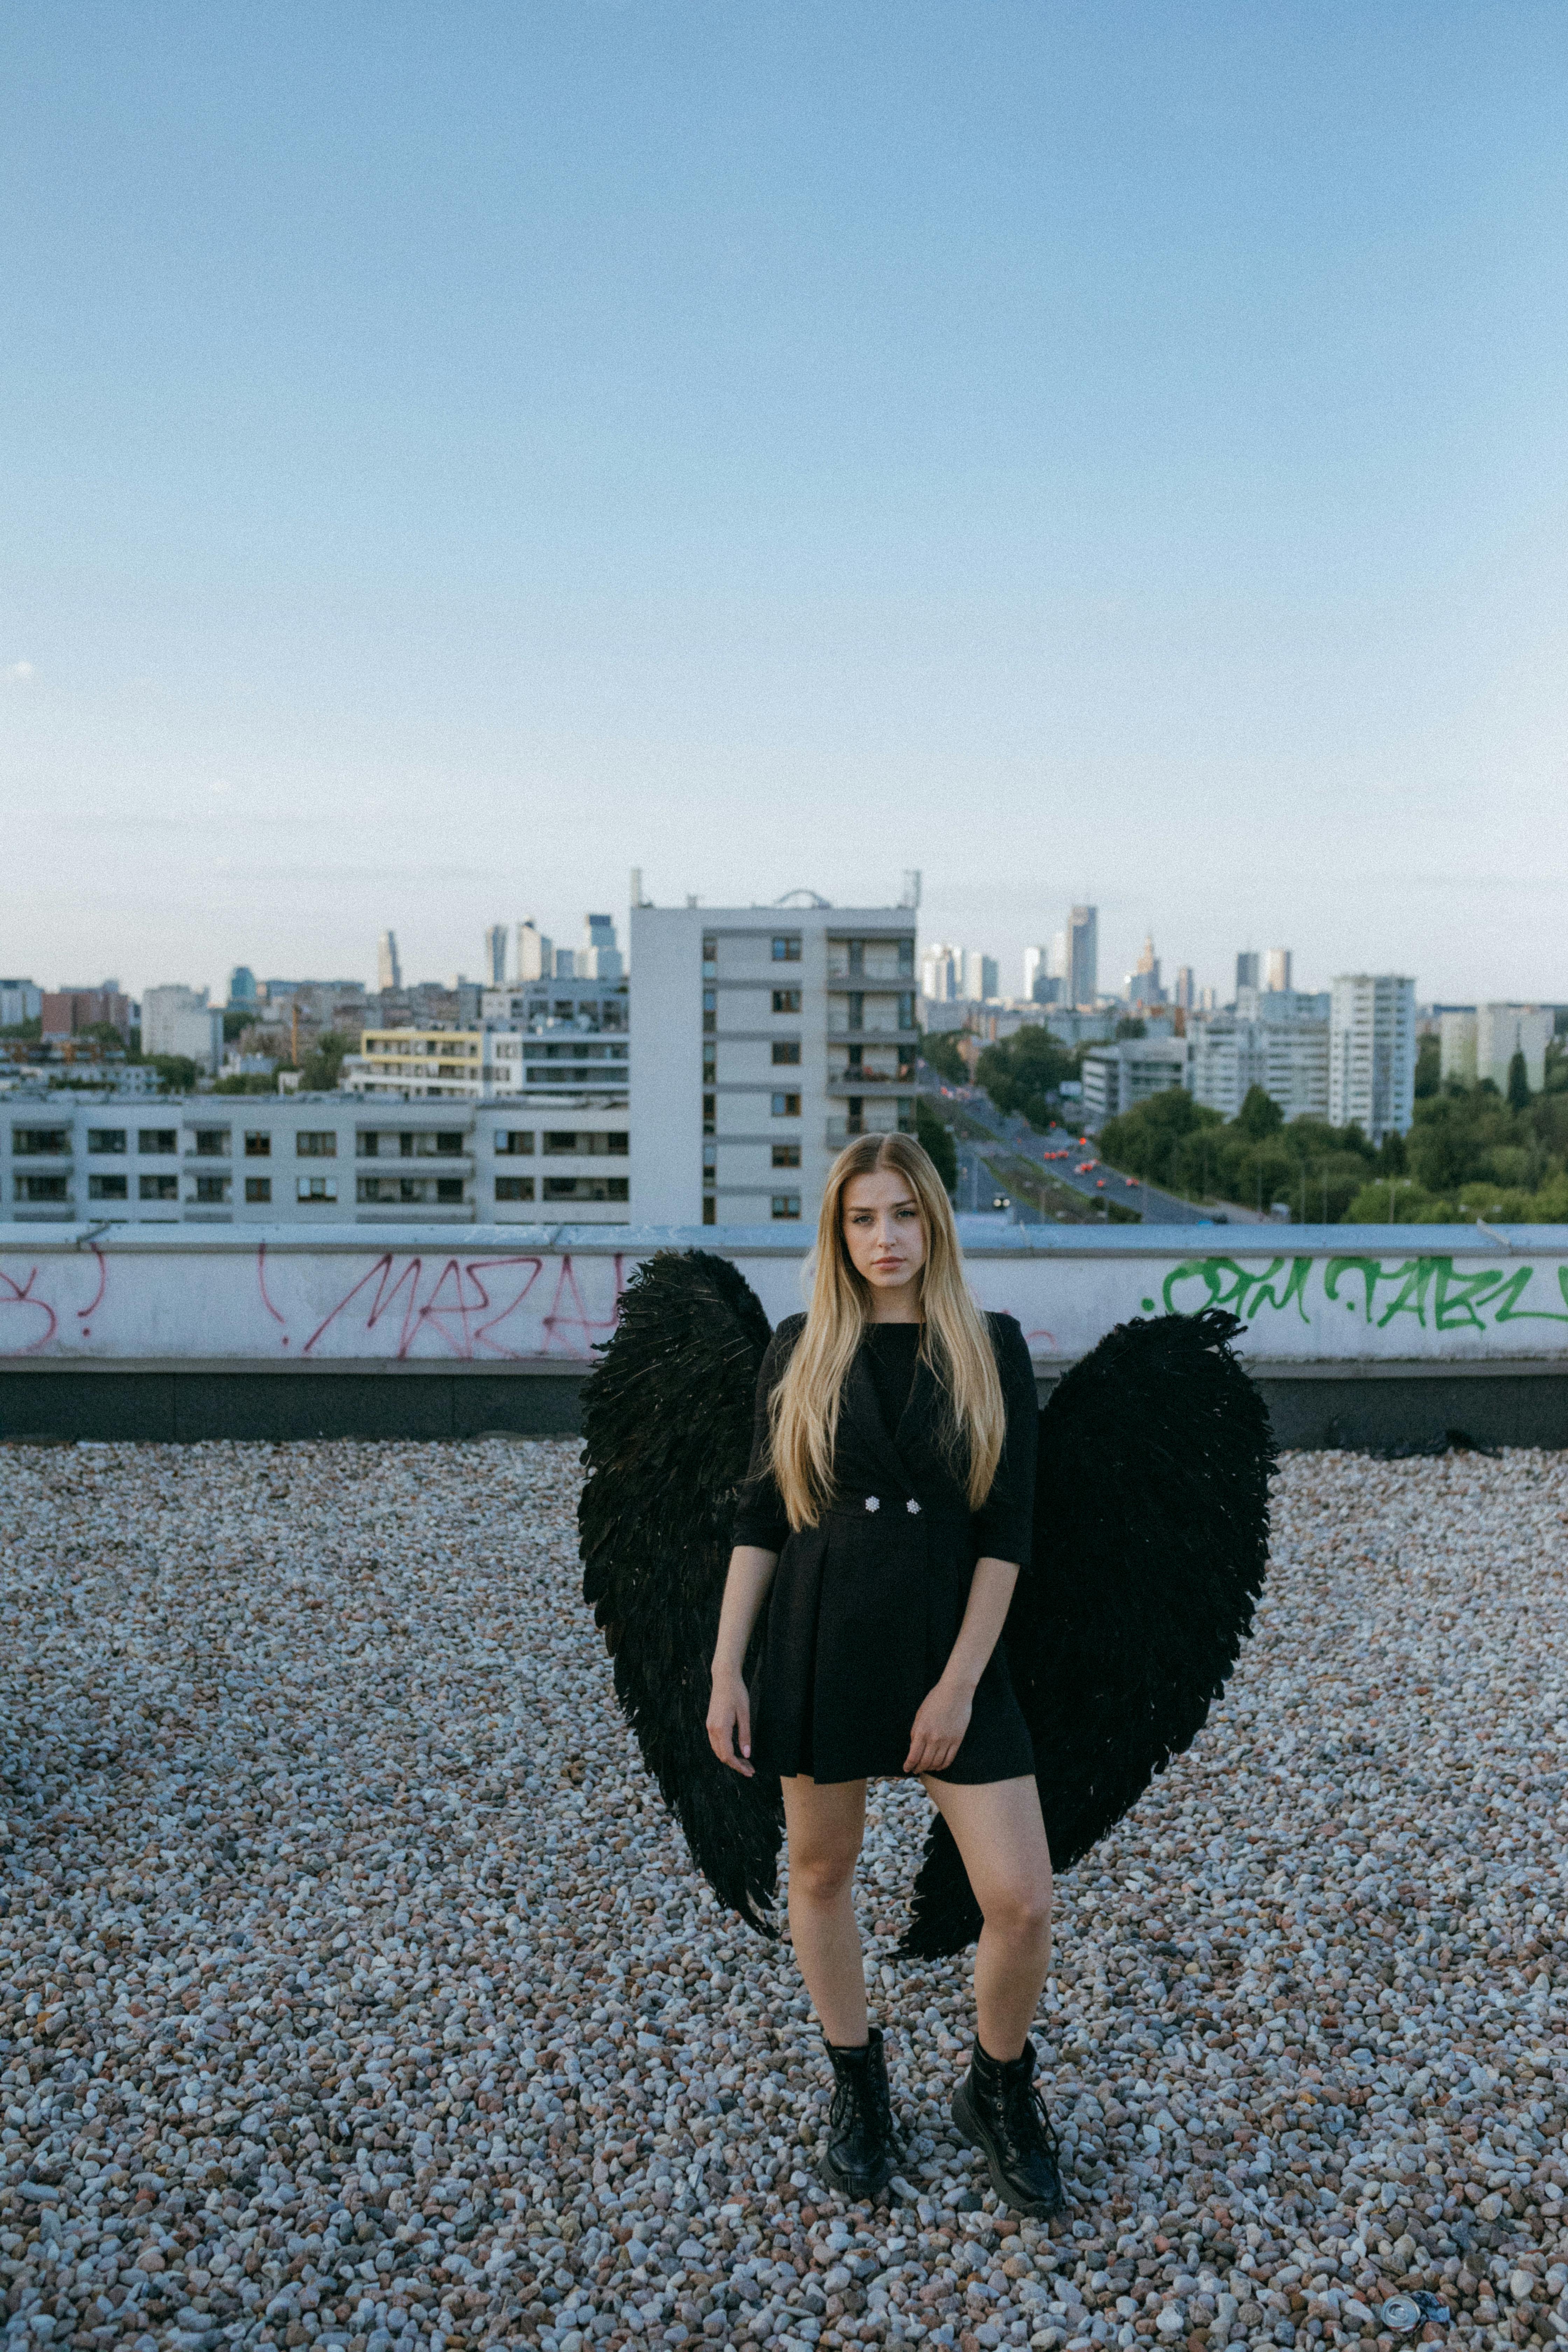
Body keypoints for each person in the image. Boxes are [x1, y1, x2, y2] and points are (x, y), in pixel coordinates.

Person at [705, 1131, 1065, 2215]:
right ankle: (857, 2085)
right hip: (822, 1637)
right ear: (837, 1232)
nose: (884, 1238)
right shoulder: (801, 1347)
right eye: (862, 1219)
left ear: (934, 1224)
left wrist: (959, 1684)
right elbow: (762, 1521)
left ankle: (997, 2089)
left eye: (902, 1215)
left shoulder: (989, 1347)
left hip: (950, 1650)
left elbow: (1008, 1534)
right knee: (820, 1874)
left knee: (1022, 1900)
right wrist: (727, 1668)